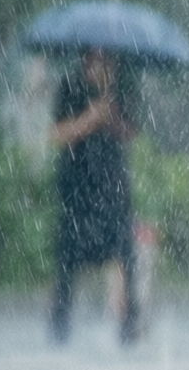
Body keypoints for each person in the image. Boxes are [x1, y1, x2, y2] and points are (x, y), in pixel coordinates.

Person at [49, 48, 140, 344]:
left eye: (107, 59)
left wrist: (110, 117)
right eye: (95, 58)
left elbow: (132, 133)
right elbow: (56, 134)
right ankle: (59, 331)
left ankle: (129, 329)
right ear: (86, 58)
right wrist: (90, 117)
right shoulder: (69, 86)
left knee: (126, 258)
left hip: (113, 190)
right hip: (76, 189)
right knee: (66, 264)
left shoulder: (124, 88)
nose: (101, 65)